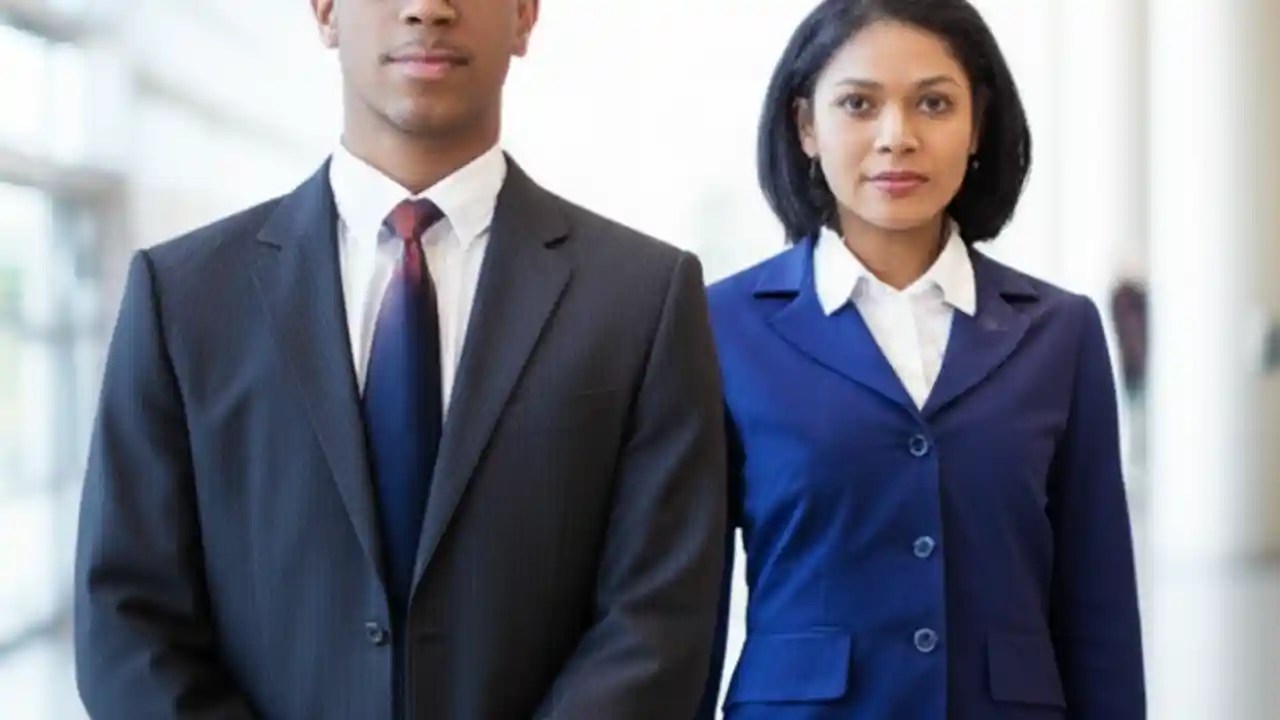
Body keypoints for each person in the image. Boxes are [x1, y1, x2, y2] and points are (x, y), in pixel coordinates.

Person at [74, 1, 727, 718]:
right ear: (324, 12)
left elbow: (662, 616)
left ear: (524, 17)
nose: (427, 9)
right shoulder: (185, 297)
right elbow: (128, 616)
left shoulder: (642, 298)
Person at [699, 0, 1145, 717]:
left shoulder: (1062, 333)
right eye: (858, 104)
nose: (896, 137)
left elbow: (1100, 609)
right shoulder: (719, 328)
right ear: (806, 126)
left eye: (934, 103)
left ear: (978, 126)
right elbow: (688, 603)